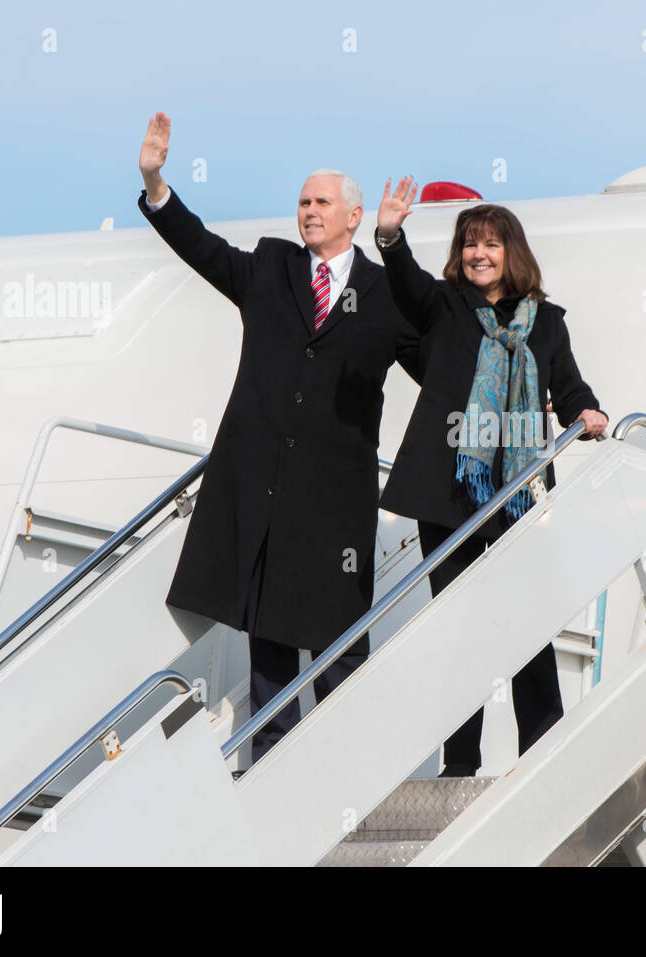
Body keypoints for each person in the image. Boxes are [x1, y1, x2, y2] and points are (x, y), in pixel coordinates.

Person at [137, 113, 422, 762]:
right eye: (302, 202)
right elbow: (202, 247)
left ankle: (349, 769)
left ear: (354, 217)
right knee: (268, 646)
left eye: (322, 202)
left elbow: (436, 360)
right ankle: (274, 762)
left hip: (335, 498)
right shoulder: (269, 269)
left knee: (340, 643)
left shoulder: (381, 294)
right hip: (267, 492)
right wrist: (157, 184)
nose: (309, 211)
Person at [373, 176, 608, 777]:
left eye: (490, 245)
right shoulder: (445, 308)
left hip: (518, 493)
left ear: (512, 254)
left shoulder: (547, 323)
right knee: (459, 626)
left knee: (527, 620)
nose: (478, 254)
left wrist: (589, 409)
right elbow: (406, 285)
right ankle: (460, 764)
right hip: (446, 492)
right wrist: (391, 237)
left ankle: (544, 748)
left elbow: (569, 383)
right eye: (469, 244)